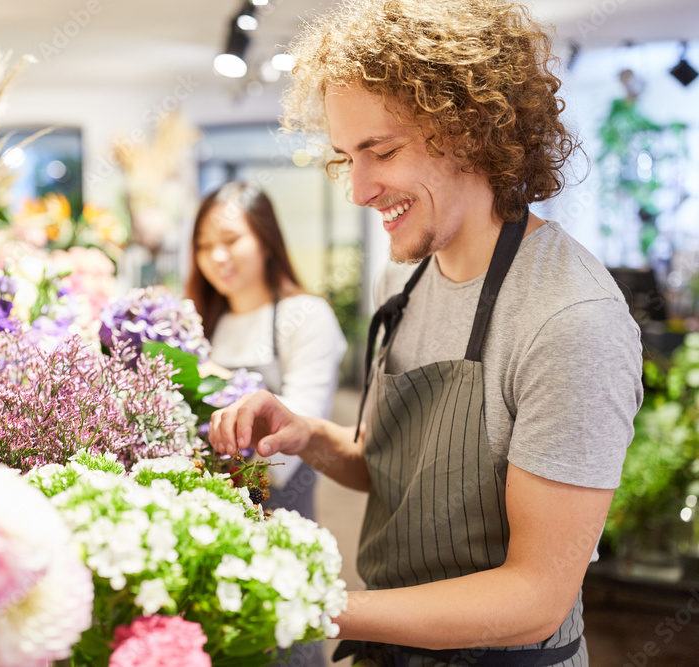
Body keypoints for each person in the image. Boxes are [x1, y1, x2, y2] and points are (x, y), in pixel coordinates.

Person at [208, 1, 643, 666]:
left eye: (379, 151)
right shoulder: (406, 277)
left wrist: (310, 597)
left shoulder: (571, 319)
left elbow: (536, 595)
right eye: (346, 156)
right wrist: (308, 435)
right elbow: (391, 470)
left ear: (469, 129)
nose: (357, 189)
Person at [188, 180, 346, 667]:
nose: (217, 257)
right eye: (203, 246)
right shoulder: (199, 324)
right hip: (201, 541)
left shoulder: (304, 317)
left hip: (278, 538)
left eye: (231, 240)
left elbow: (286, 453)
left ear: (266, 239)